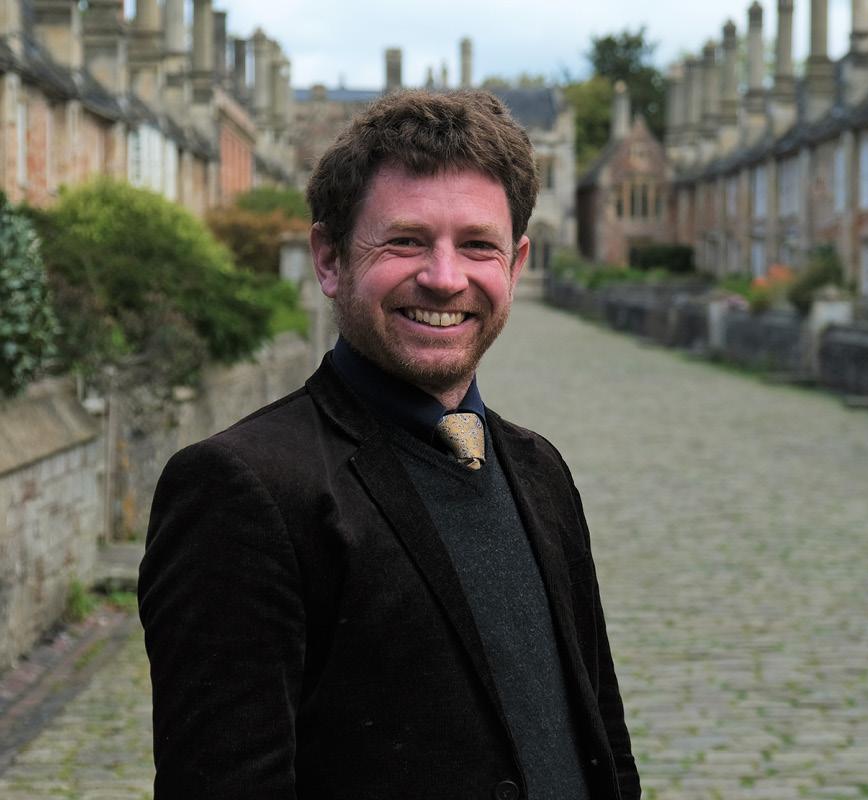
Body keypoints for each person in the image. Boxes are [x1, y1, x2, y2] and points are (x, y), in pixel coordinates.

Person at [138, 89, 640, 800]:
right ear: (330, 259)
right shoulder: (247, 491)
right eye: (405, 240)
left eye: (477, 245)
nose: (444, 277)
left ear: (516, 265)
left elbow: (602, 744)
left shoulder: (539, 471)